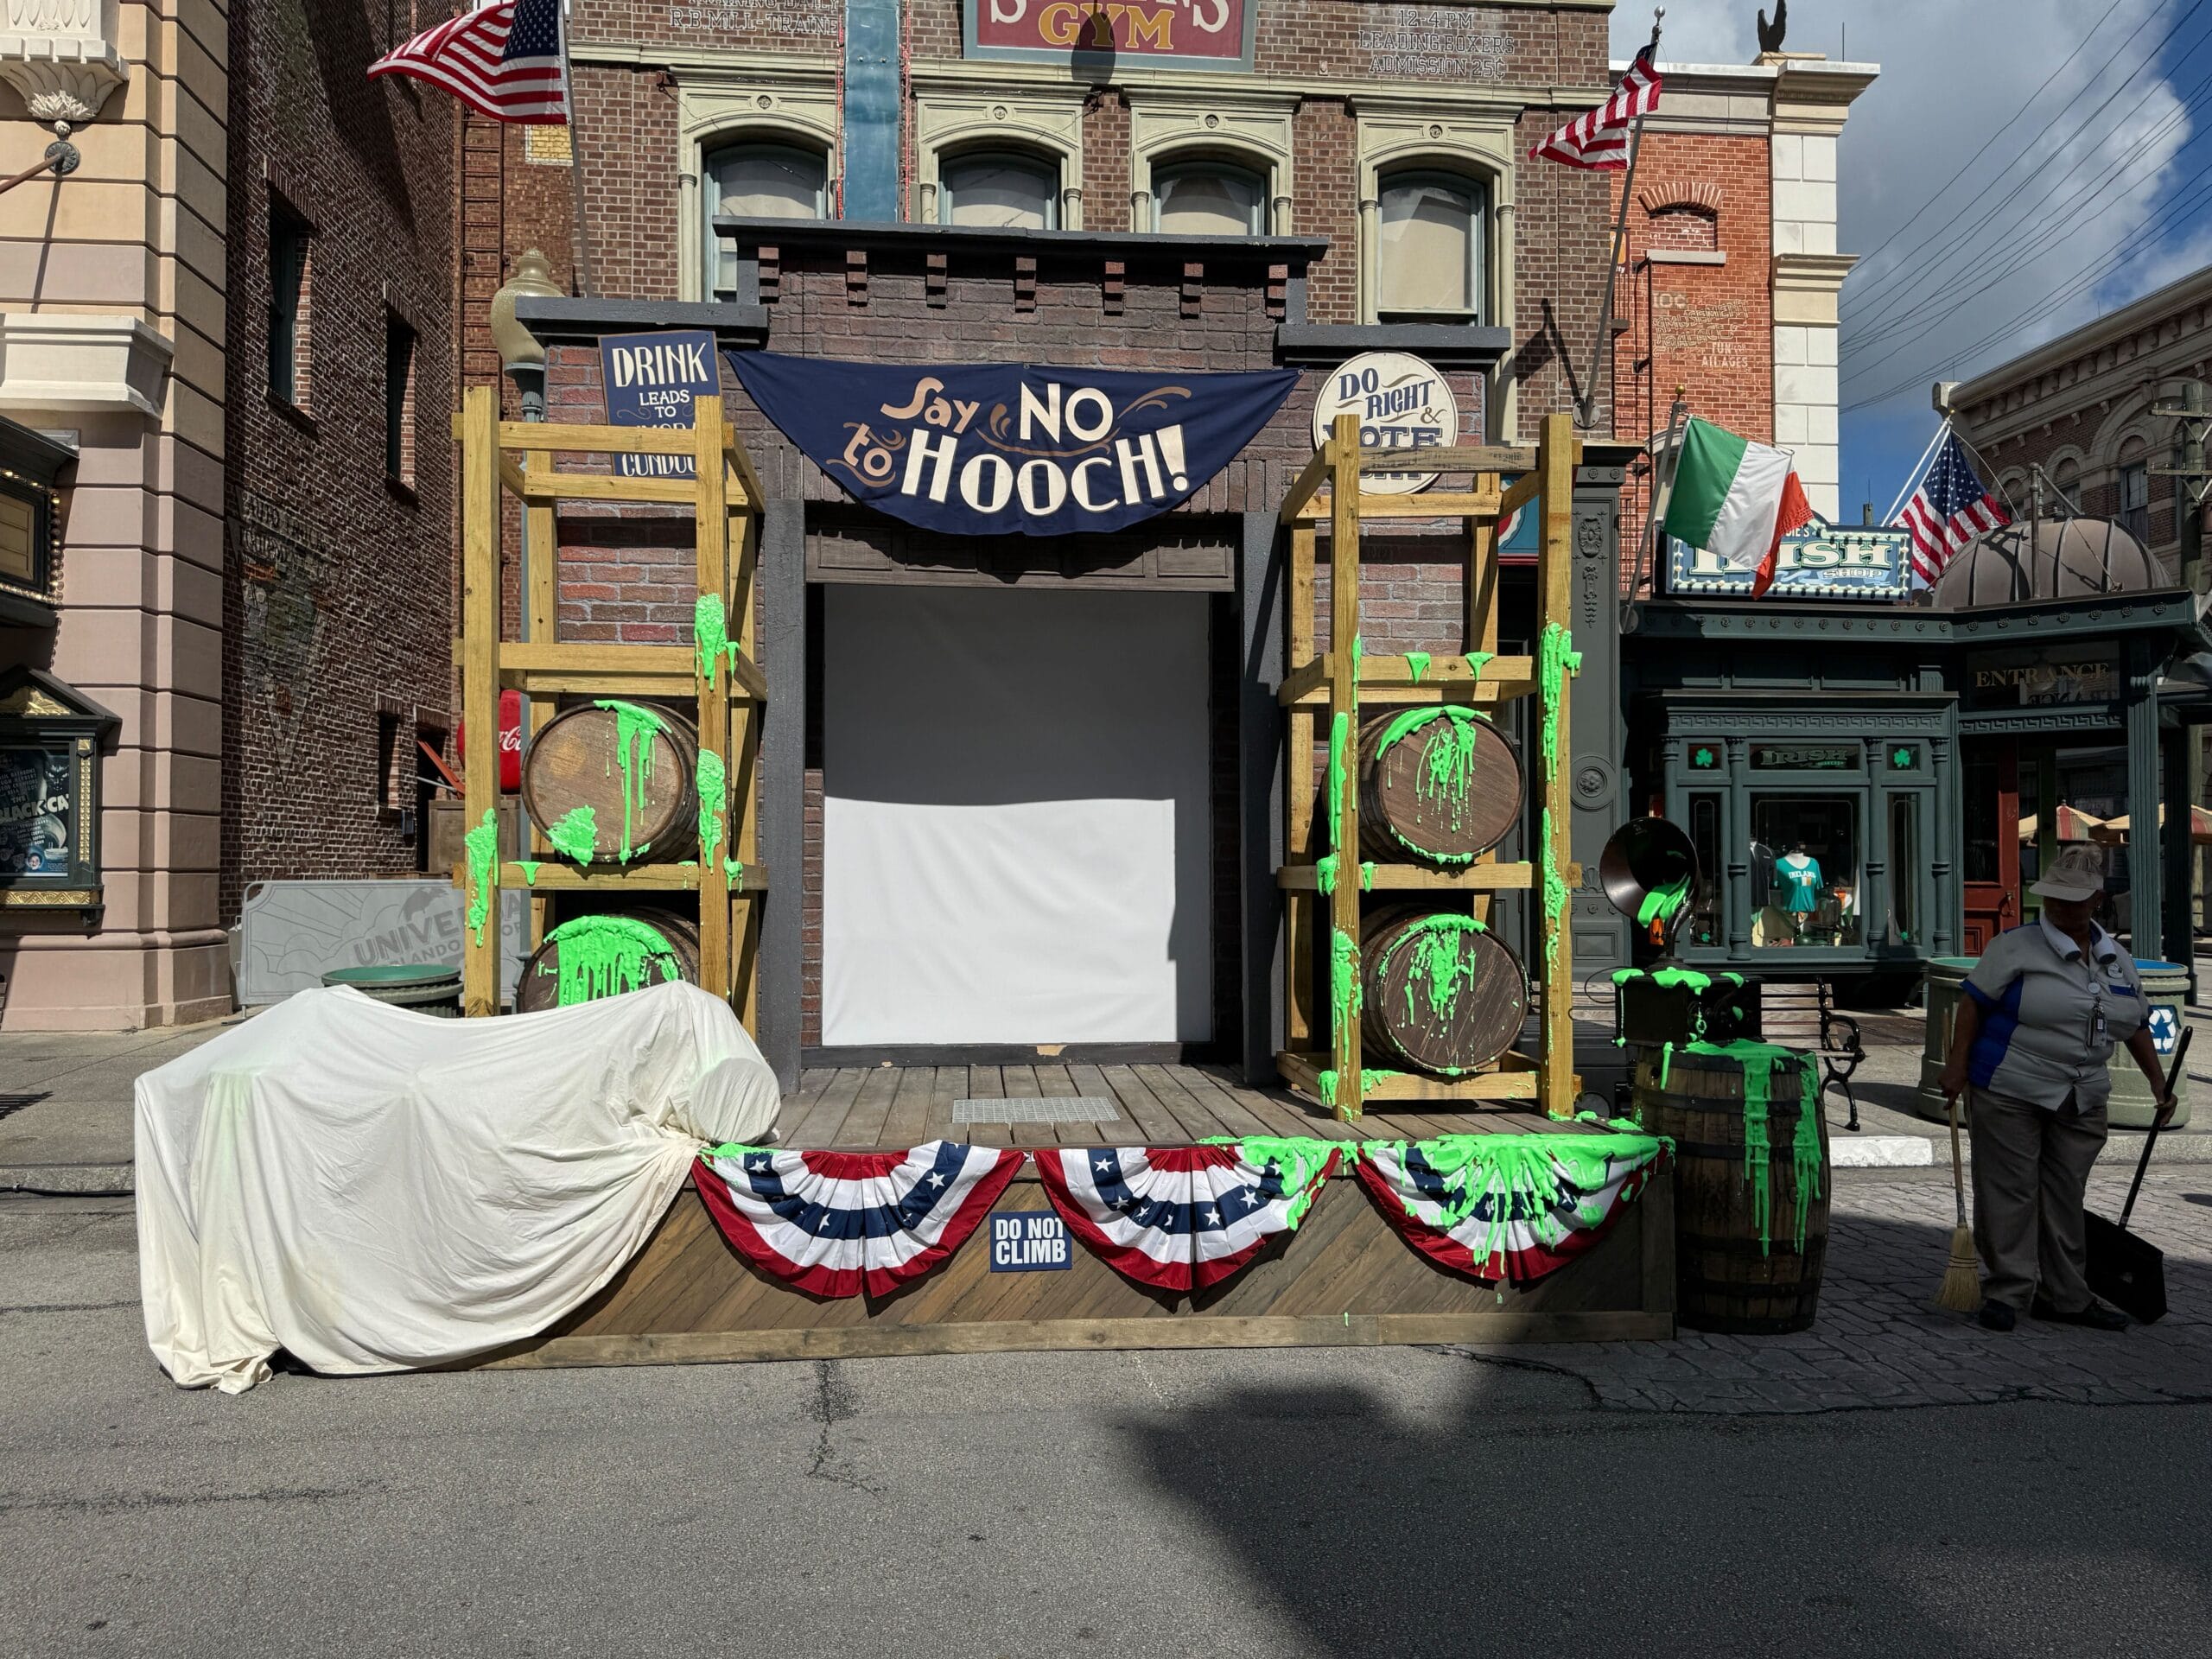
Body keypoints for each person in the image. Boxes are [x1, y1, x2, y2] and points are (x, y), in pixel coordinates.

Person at [1939, 842, 2177, 1332]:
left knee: (2065, 1193)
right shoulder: (2015, 945)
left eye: (2073, 899)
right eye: (2054, 898)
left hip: (2082, 1093)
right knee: (2011, 1191)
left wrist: (2159, 1084)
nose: (2061, 907)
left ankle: (2066, 1295)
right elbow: (1973, 1005)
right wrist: (1956, 1068)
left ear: (2097, 900)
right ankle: (2008, 1291)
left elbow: (2133, 1024)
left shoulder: (2116, 957)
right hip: (2009, 1085)